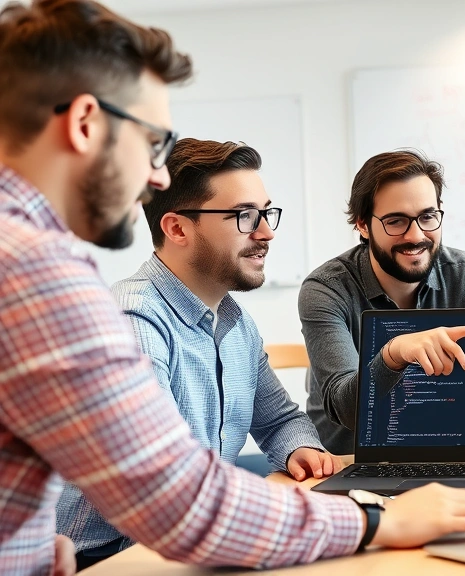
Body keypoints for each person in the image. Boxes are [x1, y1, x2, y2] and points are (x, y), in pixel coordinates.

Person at [0, 2, 465, 574]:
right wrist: (382, 521)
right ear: (86, 123)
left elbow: (273, 418)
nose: (157, 176)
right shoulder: (49, 279)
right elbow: (180, 501)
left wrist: (29, 547)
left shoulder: (230, 319)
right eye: (151, 144)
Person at [55, 138, 339, 565]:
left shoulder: (235, 322)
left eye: (265, 213)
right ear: (177, 228)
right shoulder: (134, 321)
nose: (266, 231)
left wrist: (302, 450)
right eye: (245, 216)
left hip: (178, 544)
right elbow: (163, 487)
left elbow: (279, 419)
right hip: (107, 557)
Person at [300, 150, 465, 454]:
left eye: (427, 216)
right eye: (396, 221)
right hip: (350, 461)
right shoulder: (326, 289)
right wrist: (394, 355)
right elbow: (346, 409)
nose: (416, 235)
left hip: (450, 453)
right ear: (363, 225)